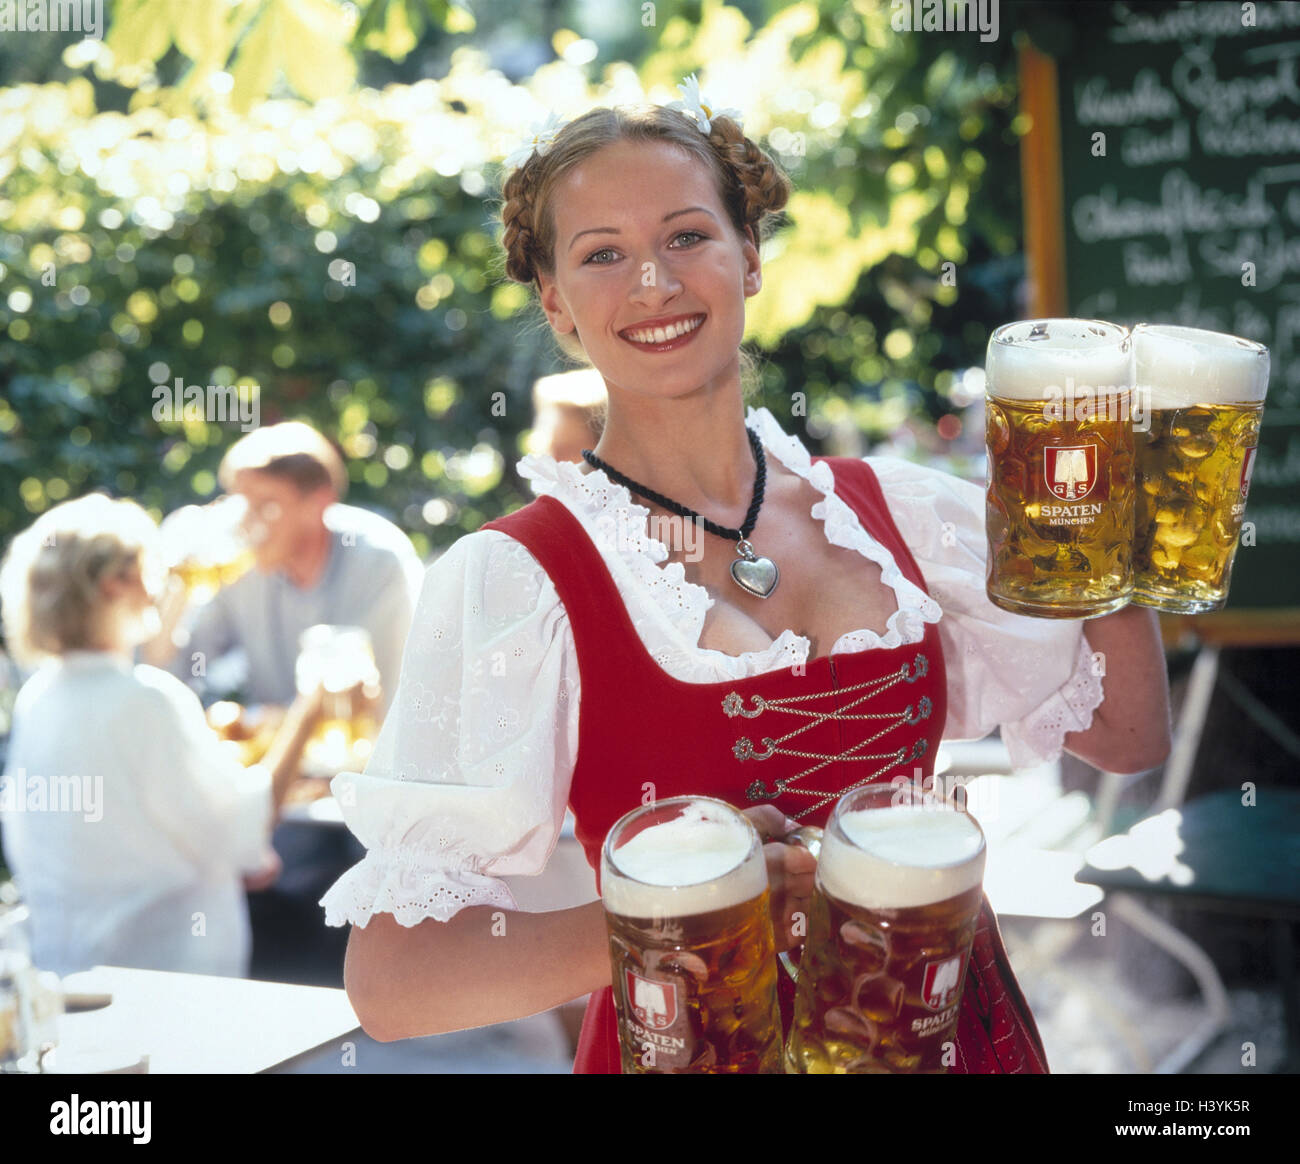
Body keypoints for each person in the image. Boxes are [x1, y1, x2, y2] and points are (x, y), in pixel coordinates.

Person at [324, 81, 1173, 1072]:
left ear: (750, 256)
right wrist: (675, 920)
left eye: (687, 236)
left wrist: (1105, 525)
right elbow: (392, 984)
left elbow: (1126, 733)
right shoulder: (519, 579)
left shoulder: (897, 513)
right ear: (555, 303)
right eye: (602, 253)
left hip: (950, 1034)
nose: (652, 281)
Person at [0, 494, 326, 977]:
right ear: (115, 582)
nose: (160, 584)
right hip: (162, 973)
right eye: (150, 569)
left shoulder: (41, 697)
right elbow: (243, 830)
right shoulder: (146, 700)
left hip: (67, 965)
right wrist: (310, 708)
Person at [142, 421, 422, 715]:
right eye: (241, 505)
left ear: (319, 502)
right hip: (279, 757)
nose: (247, 524)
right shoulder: (238, 568)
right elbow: (173, 671)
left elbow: (388, 698)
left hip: (368, 755)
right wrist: (177, 592)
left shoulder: (379, 562)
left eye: (266, 506)